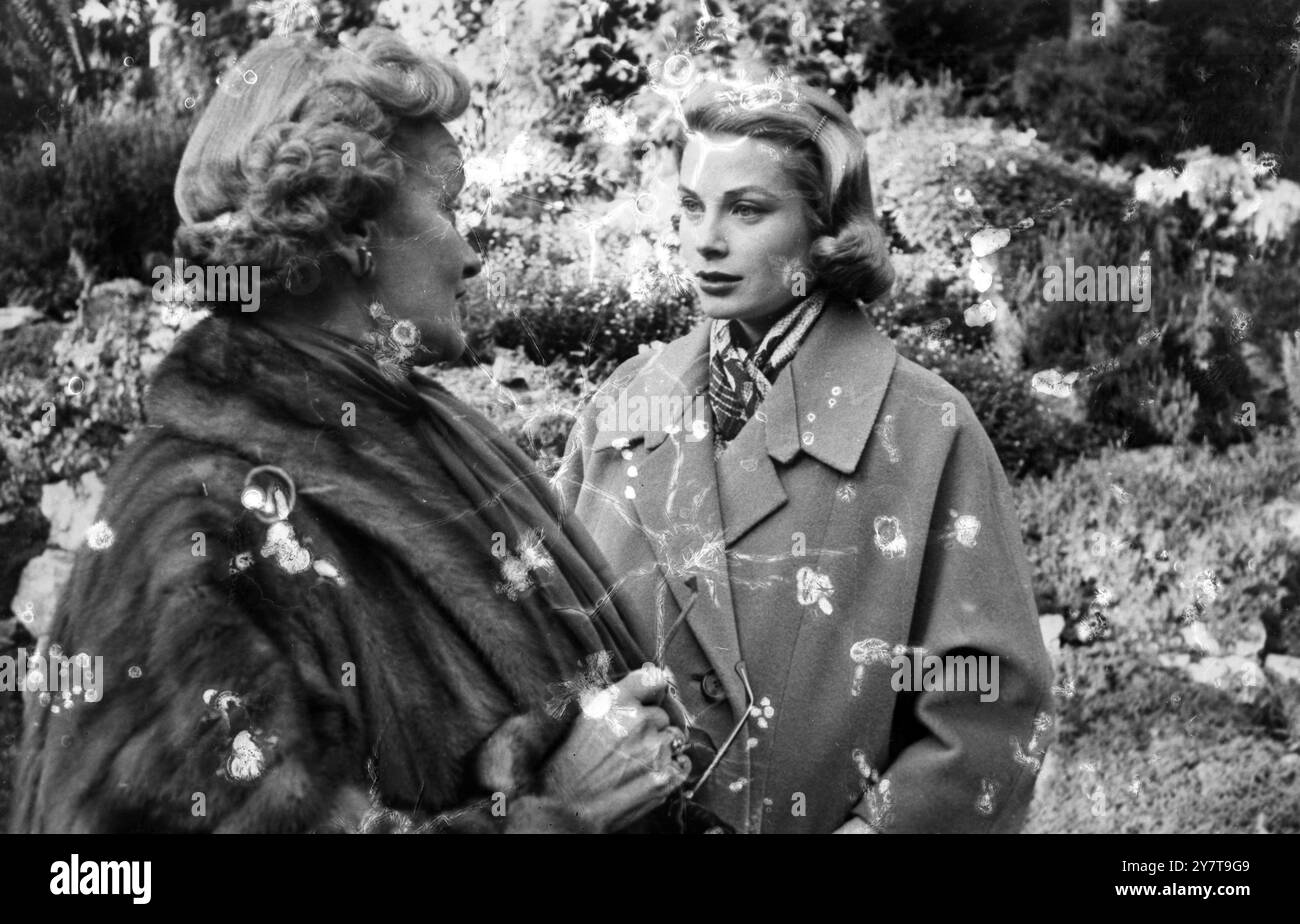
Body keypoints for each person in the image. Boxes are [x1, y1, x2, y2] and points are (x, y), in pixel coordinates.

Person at [10, 28, 694, 834]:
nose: (472, 255)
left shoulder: (429, 435)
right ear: (348, 228)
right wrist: (558, 813)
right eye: (448, 206)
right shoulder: (193, 522)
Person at [559, 79, 1056, 833]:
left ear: (824, 229)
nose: (706, 240)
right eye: (692, 208)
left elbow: (989, 707)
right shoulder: (624, 399)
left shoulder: (927, 428)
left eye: (747, 210)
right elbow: (546, 632)